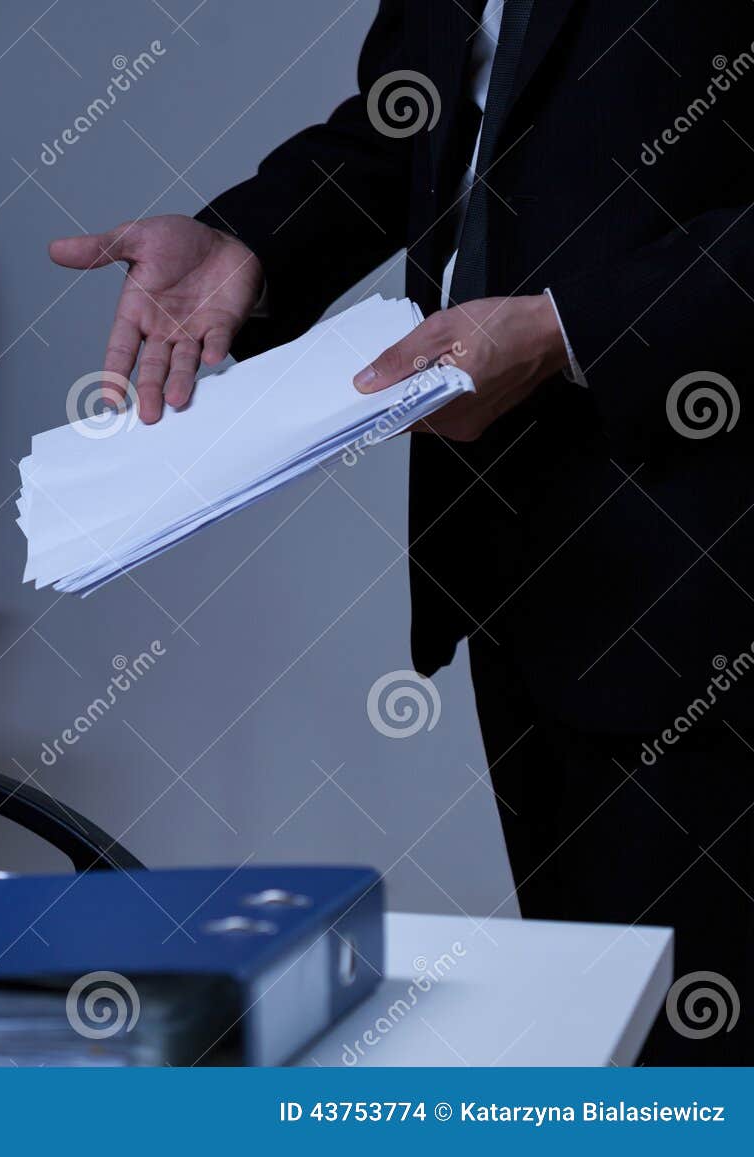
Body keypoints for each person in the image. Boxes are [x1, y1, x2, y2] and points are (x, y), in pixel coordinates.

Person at [50, 0, 754, 1064]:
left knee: (706, 1057)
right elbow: (421, 119)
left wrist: (570, 328)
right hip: (525, 566)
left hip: (715, 561)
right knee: (619, 1050)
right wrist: (250, 238)